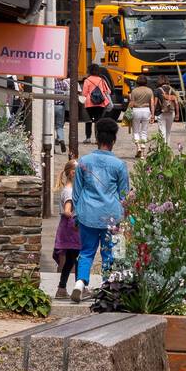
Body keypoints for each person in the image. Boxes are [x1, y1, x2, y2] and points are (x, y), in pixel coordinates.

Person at [71, 118, 129, 302]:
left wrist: (76, 215)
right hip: (110, 216)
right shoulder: (119, 165)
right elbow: (124, 195)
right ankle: (107, 287)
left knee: (86, 251)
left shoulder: (84, 162)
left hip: (87, 212)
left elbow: (77, 192)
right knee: (109, 253)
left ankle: (80, 283)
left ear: (96, 137)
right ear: (114, 139)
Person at [52, 157, 81, 299]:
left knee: (72, 259)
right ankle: (78, 286)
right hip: (71, 228)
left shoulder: (68, 189)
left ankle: (63, 288)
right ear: (71, 173)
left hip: (67, 227)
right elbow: (67, 210)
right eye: (78, 171)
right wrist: (77, 218)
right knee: (75, 258)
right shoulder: (70, 192)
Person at [82, 63, 113, 143]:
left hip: (89, 103)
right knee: (98, 120)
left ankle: (88, 138)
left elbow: (84, 93)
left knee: (89, 120)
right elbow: (108, 91)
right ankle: (97, 139)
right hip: (100, 103)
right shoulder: (101, 80)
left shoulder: (87, 80)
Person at [128, 74, 156, 155]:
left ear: (137, 82)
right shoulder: (149, 90)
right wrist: (153, 115)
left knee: (136, 131)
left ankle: (138, 147)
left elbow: (132, 103)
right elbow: (152, 103)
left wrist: (128, 112)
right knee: (144, 131)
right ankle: (143, 147)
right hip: (146, 110)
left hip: (136, 110)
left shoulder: (134, 91)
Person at [155, 79, 180, 144]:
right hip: (171, 113)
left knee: (162, 131)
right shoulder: (172, 90)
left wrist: (152, 114)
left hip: (161, 113)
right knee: (168, 131)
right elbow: (176, 103)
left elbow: (155, 103)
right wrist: (177, 114)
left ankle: (163, 150)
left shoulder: (158, 90)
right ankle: (167, 148)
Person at [54, 76, 69, 153]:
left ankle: (52, 147)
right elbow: (68, 94)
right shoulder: (64, 84)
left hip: (51, 106)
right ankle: (61, 139)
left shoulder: (52, 83)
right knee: (59, 126)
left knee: (50, 127)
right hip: (60, 107)